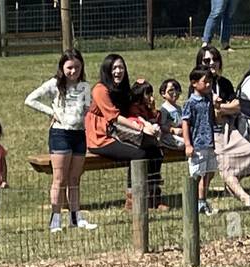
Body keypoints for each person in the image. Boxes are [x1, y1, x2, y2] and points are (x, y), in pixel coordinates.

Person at [25, 49, 96, 232]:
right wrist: (53, 113)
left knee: (75, 178)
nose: (74, 71)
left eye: (77, 67)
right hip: (60, 134)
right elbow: (30, 100)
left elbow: (88, 109)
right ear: (62, 67)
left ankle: (76, 217)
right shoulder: (54, 84)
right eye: (70, 67)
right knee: (59, 178)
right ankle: (55, 218)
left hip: (79, 134)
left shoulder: (85, 87)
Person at [86, 53, 164, 211]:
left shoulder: (123, 89)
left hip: (119, 133)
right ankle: (133, 200)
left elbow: (133, 111)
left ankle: (154, 197)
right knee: (138, 154)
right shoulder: (100, 90)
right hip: (101, 138)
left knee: (155, 150)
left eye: (121, 67)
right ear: (107, 70)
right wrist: (142, 128)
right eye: (114, 68)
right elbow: (114, 117)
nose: (118, 71)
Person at [197, 44, 250, 209]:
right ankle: (246, 199)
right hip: (210, 132)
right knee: (222, 168)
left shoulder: (224, 83)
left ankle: (232, 184)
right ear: (200, 63)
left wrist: (221, 107)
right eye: (207, 60)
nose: (212, 63)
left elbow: (237, 106)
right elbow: (206, 110)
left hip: (228, 128)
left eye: (215, 59)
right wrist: (224, 108)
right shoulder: (198, 85)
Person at [182, 67, 218, 215]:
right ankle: (195, 201)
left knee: (209, 172)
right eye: (205, 82)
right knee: (197, 174)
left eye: (210, 82)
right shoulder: (191, 102)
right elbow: (185, 123)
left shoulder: (208, 100)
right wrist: (188, 144)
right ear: (194, 83)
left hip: (209, 142)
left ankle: (202, 200)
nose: (209, 85)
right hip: (197, 144)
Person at [157, 78, 186, 148]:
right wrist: (172, 130)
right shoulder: (164, 109)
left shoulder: (179, 108)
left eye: (177, 90)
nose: (175, 93)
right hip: (169, 135)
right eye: (171, 91)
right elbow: (162, 126)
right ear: (163, 93)